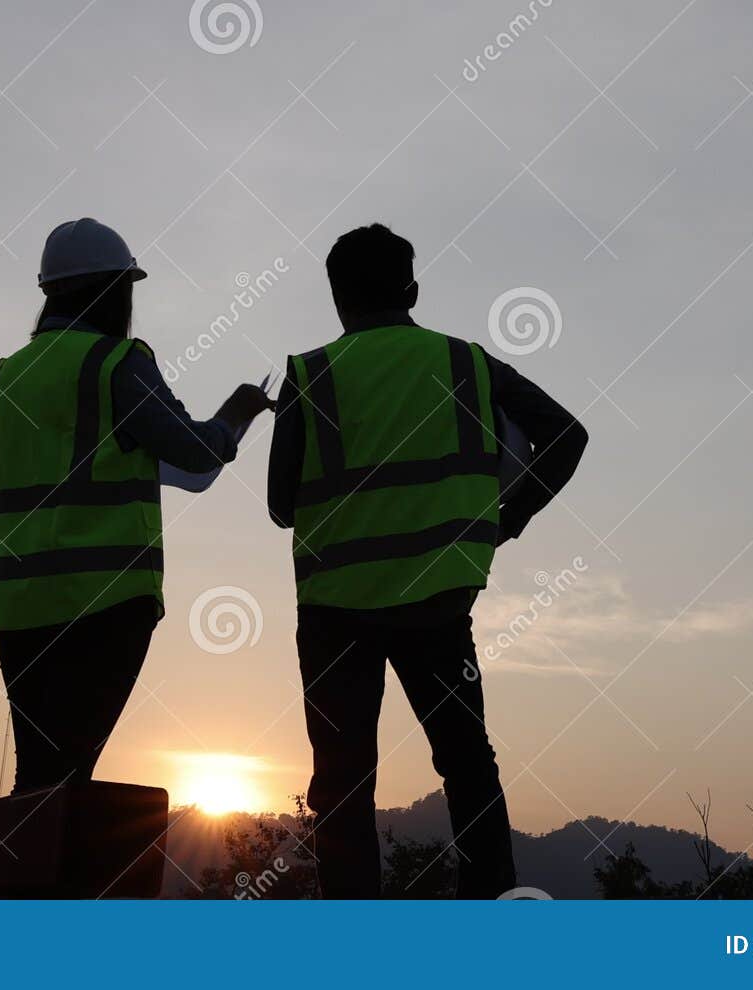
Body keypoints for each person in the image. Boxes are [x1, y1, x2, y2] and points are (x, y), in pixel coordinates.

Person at [267, 223, 588, 897]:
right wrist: (511, 516)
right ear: (412, 289)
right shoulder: (465, 364)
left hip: (333, 612)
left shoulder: (309, 375)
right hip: (437, 603)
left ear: (335, 298)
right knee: (467, 762)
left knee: (342, 780)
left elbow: (279, 503)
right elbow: (566, 434)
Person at [0, 218, 272, 793]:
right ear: (115, 291)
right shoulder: (116, 364)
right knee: (67, 778)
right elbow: (195, 449)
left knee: (41, 777)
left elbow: (70, 465)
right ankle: (53, 883)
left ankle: (22, 878)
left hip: (20, 607)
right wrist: (239, 411)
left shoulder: (1, 382)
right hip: (106, 605)